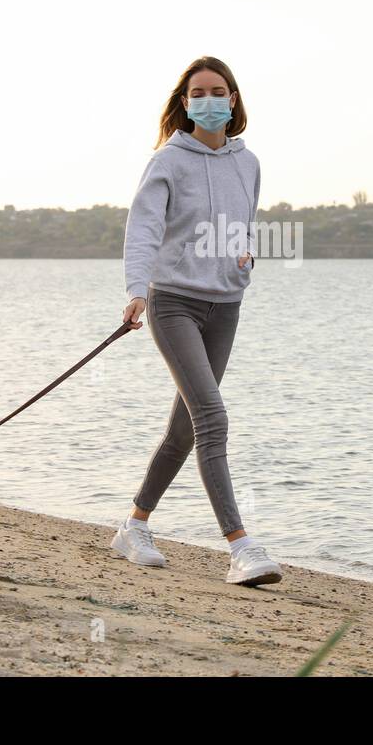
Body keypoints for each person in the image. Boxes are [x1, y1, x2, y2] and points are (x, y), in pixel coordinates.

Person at [110, 55, 282, 586]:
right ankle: (241, 547)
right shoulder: (169, 160)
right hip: (174, 303)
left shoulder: (248, 162)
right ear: (185, 104)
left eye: (218, 90)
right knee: (213, 417)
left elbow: (244, 220)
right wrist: (137, 290)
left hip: (225, 305)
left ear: (233, 100)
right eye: (198, 92)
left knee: (185, 429)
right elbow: (143, 228)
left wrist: (245, 255)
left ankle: (133, 527)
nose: (209, 99)